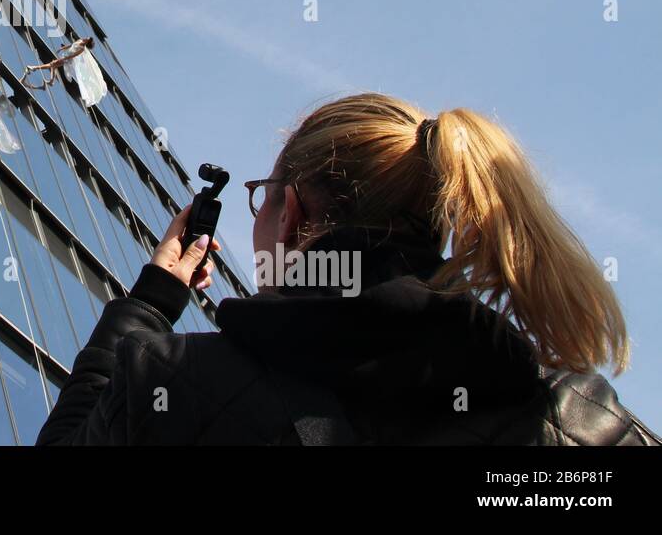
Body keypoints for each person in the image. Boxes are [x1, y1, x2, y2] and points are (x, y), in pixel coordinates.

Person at [37, 93, 658, 445]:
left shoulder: (171, 388)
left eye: (262, 194)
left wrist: (150, 302)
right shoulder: (580, 414)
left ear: (290, 217)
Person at [22, 36, 107, 107]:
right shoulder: (80, 40)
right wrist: (62, 48)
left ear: (86, 43)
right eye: (86, 38)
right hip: (65, 56)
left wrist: (64, 59)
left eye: (86, 39)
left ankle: (33, 68)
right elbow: (71, 45)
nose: (84, 38)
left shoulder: (82, 49)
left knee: (52, 64)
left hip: (67, 59)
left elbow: (73, 55)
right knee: (53, 66)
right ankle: (51, 81)